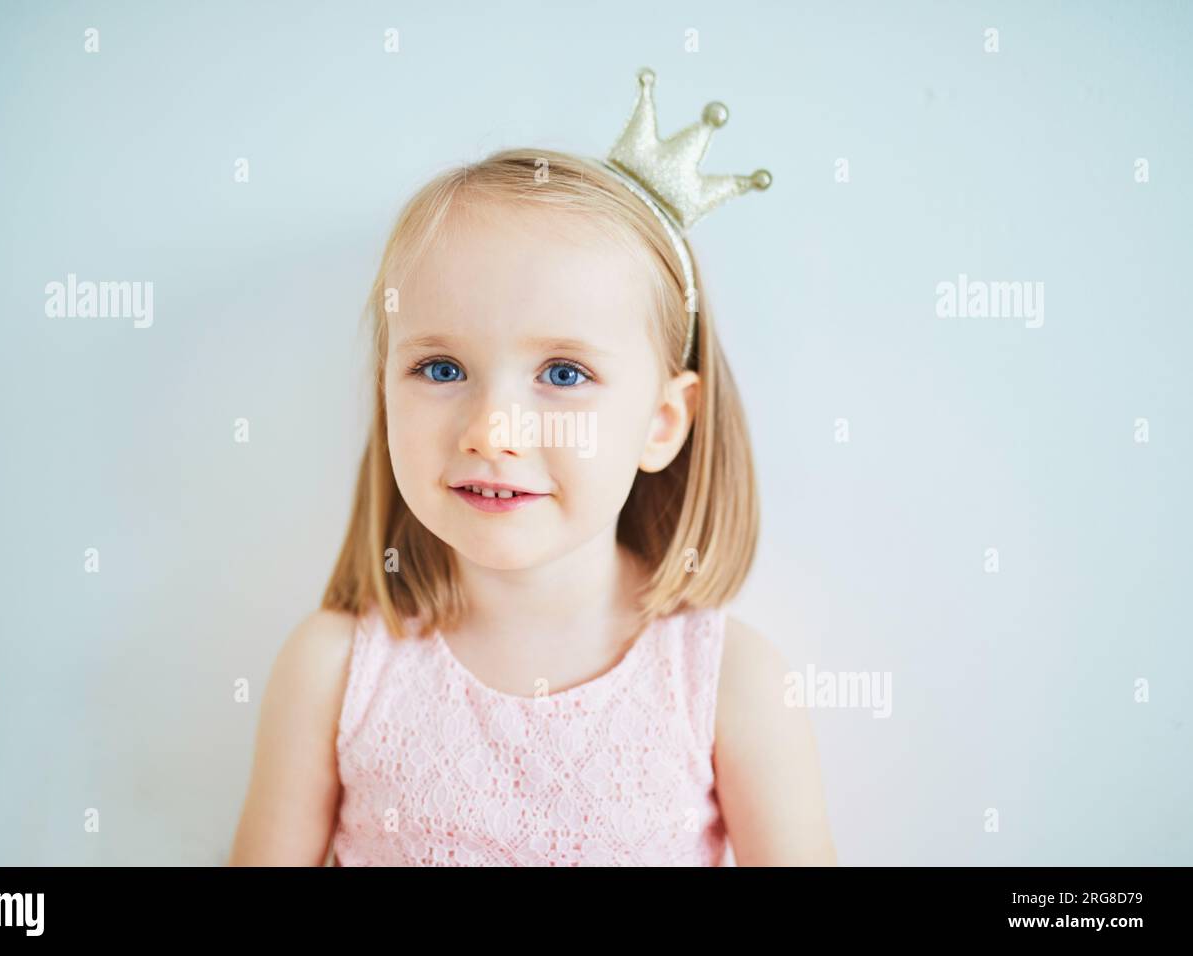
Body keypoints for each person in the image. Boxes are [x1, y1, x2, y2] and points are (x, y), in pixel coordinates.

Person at [229, 71, 836, 866]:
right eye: (442, 370)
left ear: (660, 424)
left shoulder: (728, 687)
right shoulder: (332, 671)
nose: (491, 432)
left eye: (563, 374)